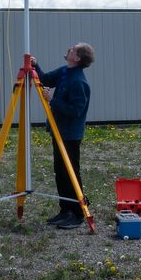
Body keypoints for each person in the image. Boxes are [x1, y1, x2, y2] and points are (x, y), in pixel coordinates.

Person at [34, 43, 94, 229]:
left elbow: (76, 111)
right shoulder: (64, 71)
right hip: (58, 131)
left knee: (71, 173)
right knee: (60, 172)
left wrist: (53, 100)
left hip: (70, 135)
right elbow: (45, 79)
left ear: (77, 58)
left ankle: (76, 214)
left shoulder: (79, 82)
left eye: (73, 49)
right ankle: (65, 210)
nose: (69, 49)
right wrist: (35, 65)